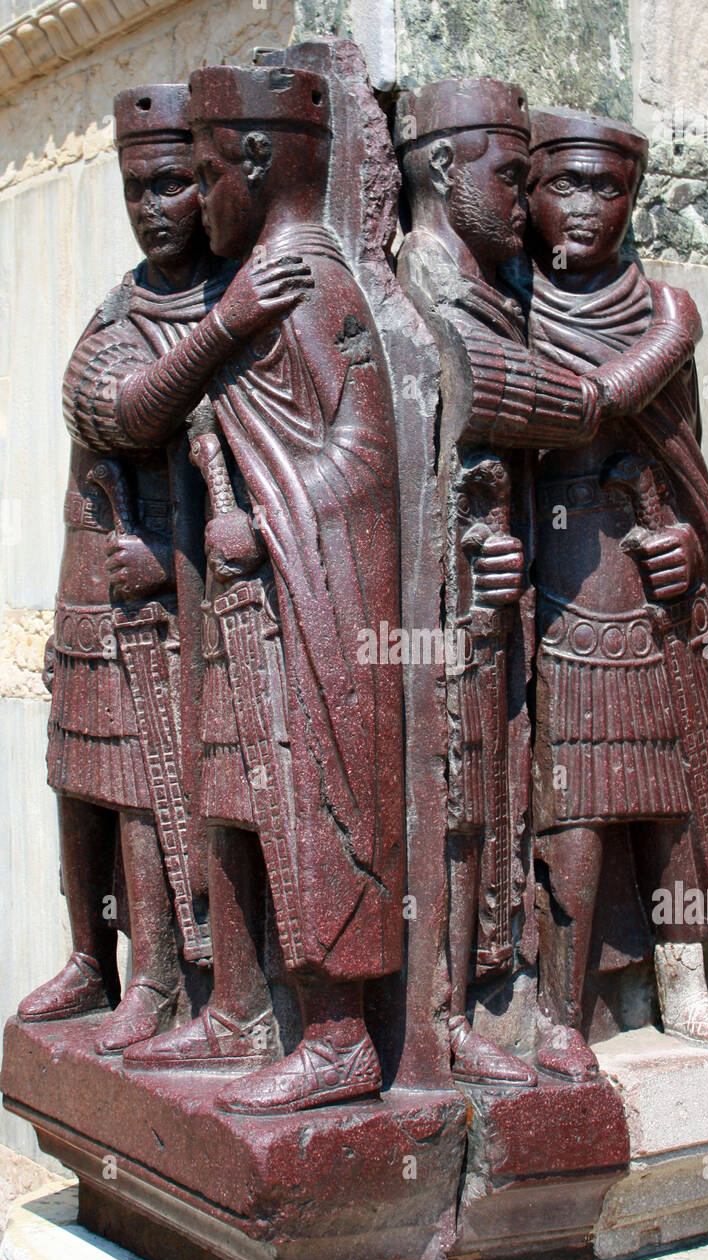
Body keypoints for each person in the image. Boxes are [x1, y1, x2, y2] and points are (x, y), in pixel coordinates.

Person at [123, 64, 406, 1116]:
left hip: (304, 599)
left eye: (200, 173)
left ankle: (336, 1037)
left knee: (307, 805)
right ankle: (240, 1006)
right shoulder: (255, 283)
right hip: (250, 605)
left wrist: (268, 518)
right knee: (236, 797)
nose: (192, 201)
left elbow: (365, 452)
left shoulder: (308, 282)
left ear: (254, 159)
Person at [522, 108, 708, 1079]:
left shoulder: (658, 306)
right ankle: (562, 1006)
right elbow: (537, 429)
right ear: (526, 192)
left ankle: (684, 980)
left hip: (646, 591)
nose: (585, 208)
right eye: (563, 183)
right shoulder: (509, 306)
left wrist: (689, 550)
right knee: (572, 803)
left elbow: (691, 474)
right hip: (560, 585)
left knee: (674, 794)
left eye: (606, 189)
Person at [18, 85, 234, 1052]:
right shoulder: (126, 302)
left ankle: (155, 975)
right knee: (79, 772)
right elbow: (107, 408)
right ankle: (87, 954)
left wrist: (169, 557)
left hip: (170, 591)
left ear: (212, 184)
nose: (153, 206)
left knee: (148, 779)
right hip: (91, 571)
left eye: (176, 184)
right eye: (137, 186)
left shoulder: (232, 302)